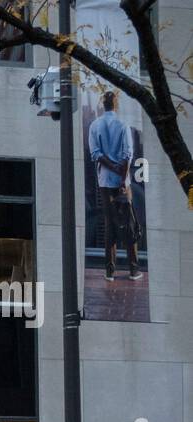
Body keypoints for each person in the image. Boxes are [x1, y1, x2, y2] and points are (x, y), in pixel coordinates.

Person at [88, 90, 141, 282]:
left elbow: (95, 154)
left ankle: (110, 272)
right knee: (128, 223)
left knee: (110, 224)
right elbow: (128, 155)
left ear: (103, 105)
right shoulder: (123, 125)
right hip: (122, 183)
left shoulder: (95, 125)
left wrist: (111, 167)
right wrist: (121, 175)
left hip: (104, 181)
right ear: (116, 105)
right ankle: (134, 270)